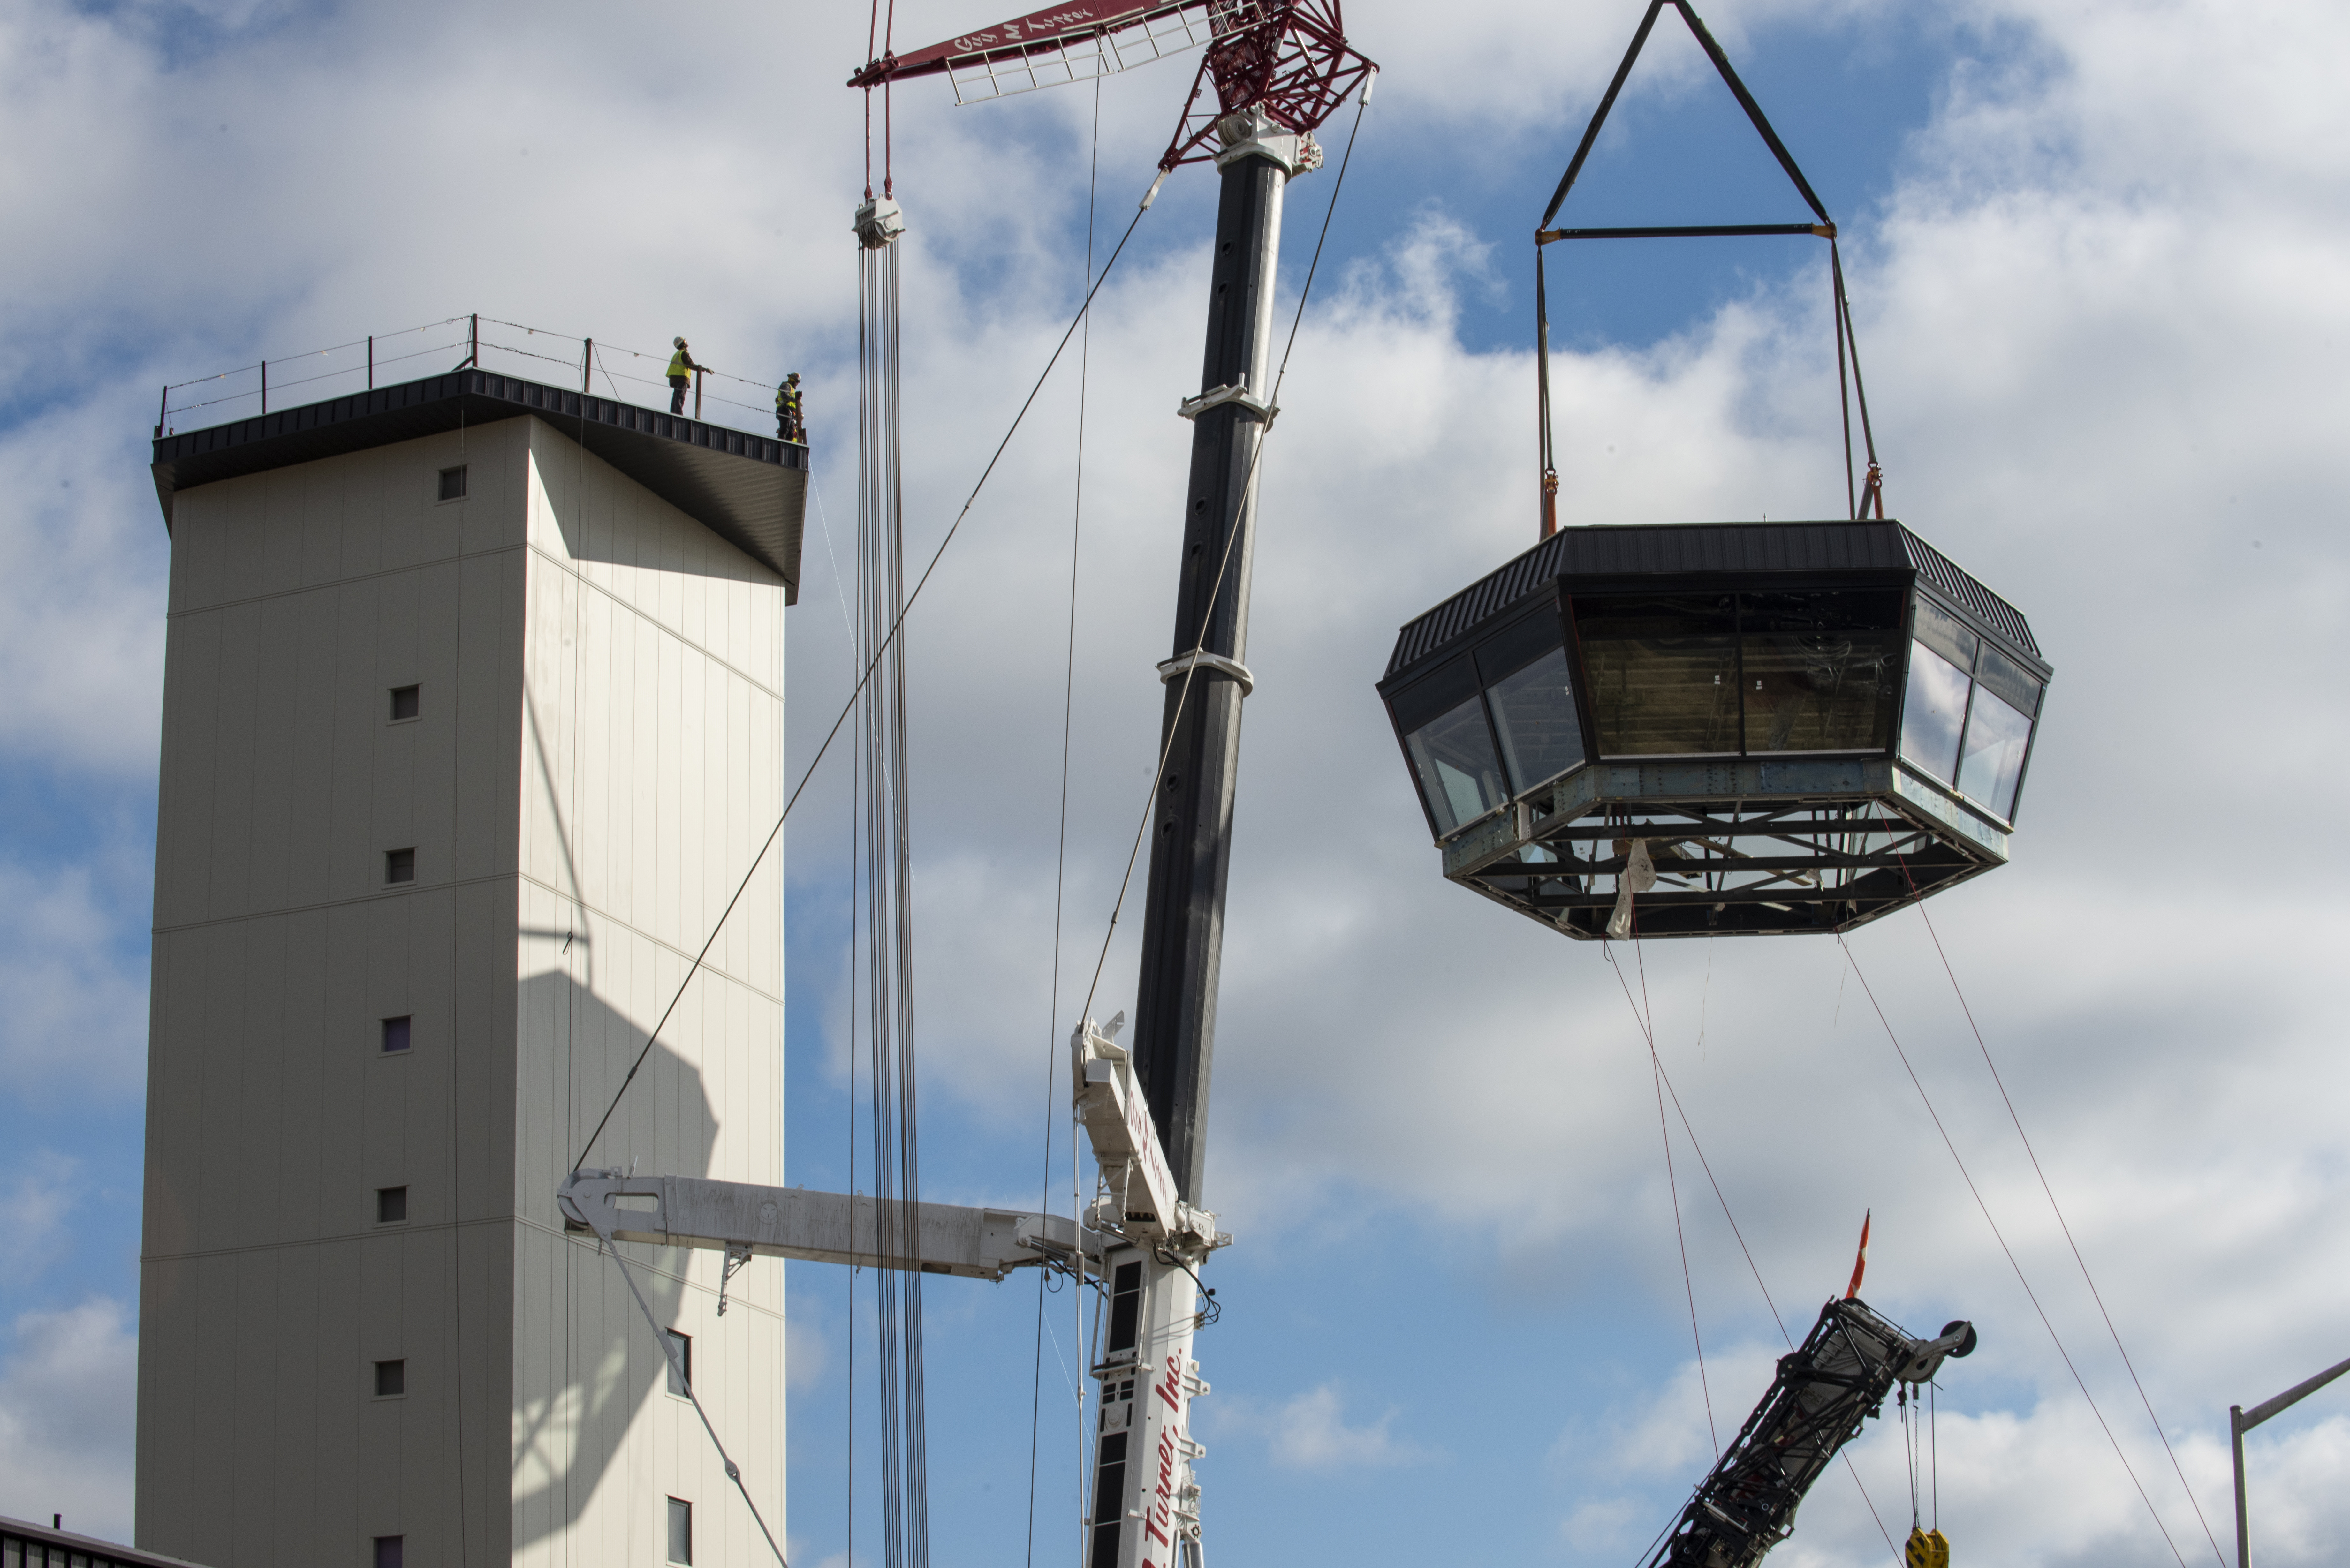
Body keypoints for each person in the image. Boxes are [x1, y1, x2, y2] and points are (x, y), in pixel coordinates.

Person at [666, 337, 707, 415]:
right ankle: (678, 413)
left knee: (676, 395)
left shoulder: (676, 354)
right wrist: (703, 369)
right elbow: (691, 365)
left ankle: (673, 412)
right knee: (680, 395)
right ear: (683, 344)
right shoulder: (683, 354)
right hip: (682, 377)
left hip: (674, 378)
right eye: (685, 341)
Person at [776, 373, 805, 443]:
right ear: (793, 380)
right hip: (784, 410)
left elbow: (792, 404)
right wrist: (795, 400)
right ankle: (780, 444)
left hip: (791, 413)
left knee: (791, 434)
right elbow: (784, 396)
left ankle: (787, 447)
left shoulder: (792, 390)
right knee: (784, 429)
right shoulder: (786, 386)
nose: (798, 384)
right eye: (797, 382)